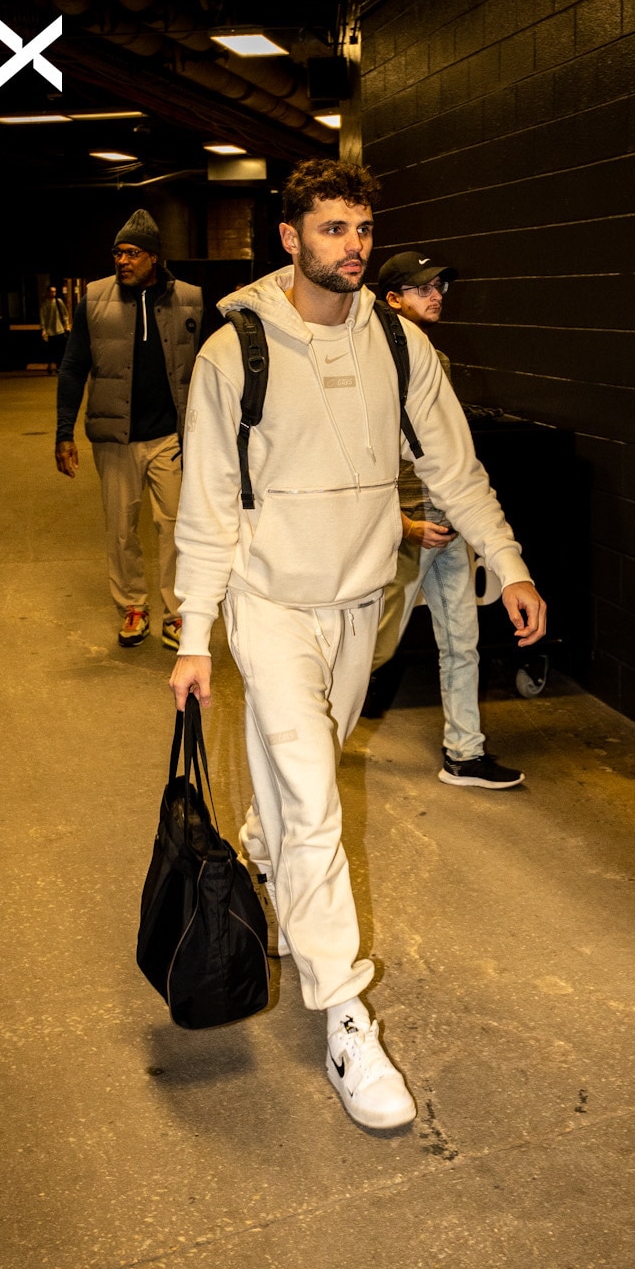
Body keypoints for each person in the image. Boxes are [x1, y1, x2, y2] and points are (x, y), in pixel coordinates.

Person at [169, 159, 546, 1131]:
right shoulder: (234, 352)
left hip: (359, 605)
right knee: (314, 798)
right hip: (269, 603)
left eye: (363, 228)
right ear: (289, 237)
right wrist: (195, 631)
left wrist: (508, 563)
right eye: (332, 228)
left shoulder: (399, 342)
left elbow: (455, 469)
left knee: (304, 785)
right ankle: (344, 1014)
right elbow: (206, 506)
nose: (354, 246)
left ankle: (265, 854)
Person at [370, 250, 525, 790]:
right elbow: (363, 460)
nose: (436, 296)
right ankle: (303, 742)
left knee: (462, 642)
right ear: (393, 300)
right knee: (369, 650)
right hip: (404, 526)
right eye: (423, 288)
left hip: (446, 521)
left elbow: (447, 456)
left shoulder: (435, 358)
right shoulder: (371, 363)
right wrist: (403, 525)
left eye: (439, 287)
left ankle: (464, 754)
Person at [54, 210, 202, 651]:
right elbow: (72, 367)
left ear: (154, 257)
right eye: (118, 253)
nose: (122, 261)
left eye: (132, 253)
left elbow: (211, 367)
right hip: (116, 438)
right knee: (120, 530)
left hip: (171, 438)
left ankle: (176, 613)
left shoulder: (190, 299)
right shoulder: (95, 300)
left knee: (176, 528)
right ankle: (133, 607)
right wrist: (64, 432)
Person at [39, 286, 70, 374]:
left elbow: (64, 314)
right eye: (51, 292)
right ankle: (51, 365)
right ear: (48, 292)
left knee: (60, 349)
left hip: (59, 329)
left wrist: (66, 325)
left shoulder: (58, 302)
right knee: (51, 350)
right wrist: (43, 329)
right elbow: (42, 317)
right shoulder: (45, 304)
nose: (53, 294)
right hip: (50, 331)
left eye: (54, 292)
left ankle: (58, 366)